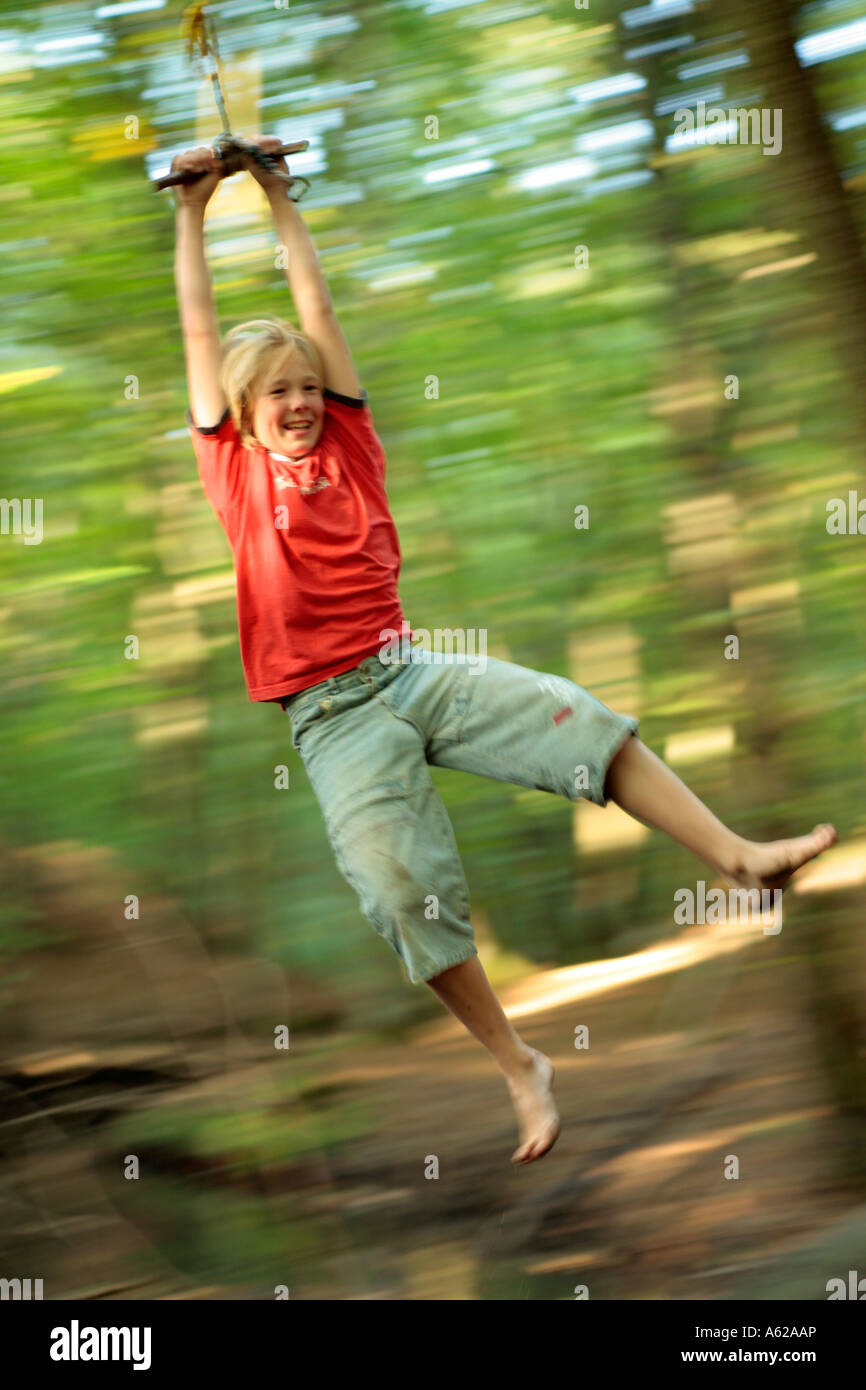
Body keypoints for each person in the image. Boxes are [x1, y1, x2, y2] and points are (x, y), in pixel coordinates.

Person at [173, 136, 838, 1165]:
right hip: (329, 717)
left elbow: (317, 307)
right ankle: (517, 1062)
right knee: (397, 887)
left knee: (569, 716)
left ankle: (737, 854)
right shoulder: (231, 470)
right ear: (245, 418)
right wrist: (190, 212)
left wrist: (275, 195)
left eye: (308, 387)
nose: (299, 403)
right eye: (278, 397)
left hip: (408, 669)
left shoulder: (349, 439)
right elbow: (199, 323)